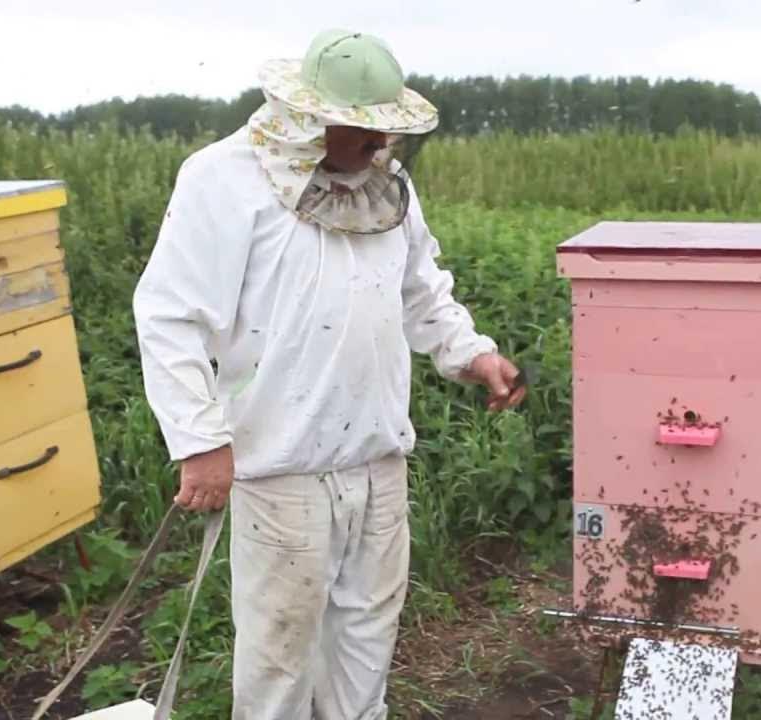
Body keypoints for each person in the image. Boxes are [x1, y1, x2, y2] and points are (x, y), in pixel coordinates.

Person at [131, 29, 526, 720]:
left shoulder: (388, 185)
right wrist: (198, 439)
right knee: (280, 657)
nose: (381, 147)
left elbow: (419, 288)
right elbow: (170, 314)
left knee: (368, 636)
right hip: (279, 466)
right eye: (367, 132)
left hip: (376, 458)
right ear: (314, 119)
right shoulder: (223, 178)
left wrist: (471, 353)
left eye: (386, 133)